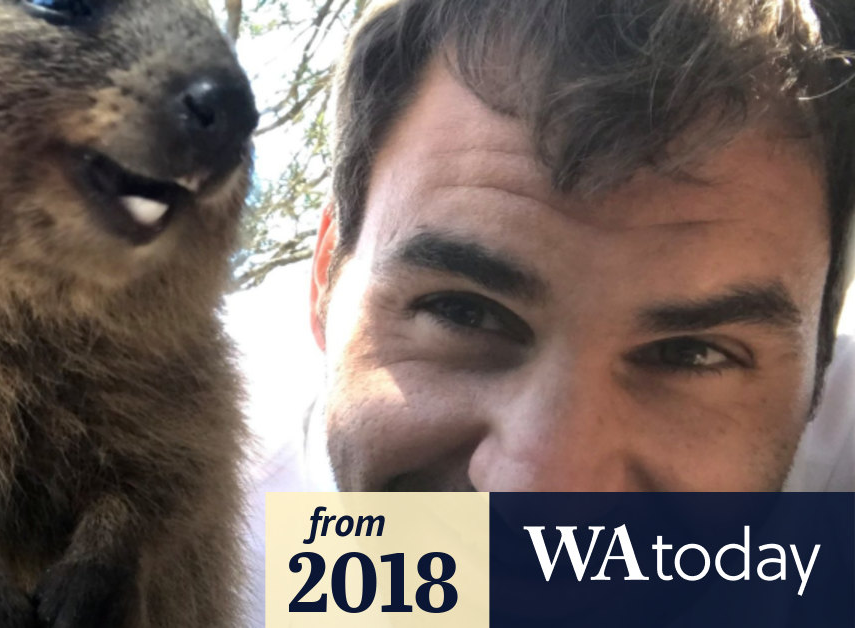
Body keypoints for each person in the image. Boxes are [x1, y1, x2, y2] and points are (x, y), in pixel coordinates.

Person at [238, 0, 855, 620]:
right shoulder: (185, 550)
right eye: (463, 311)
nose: (542, 497)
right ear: (324, 280)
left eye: (690, 354)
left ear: (818, 373)